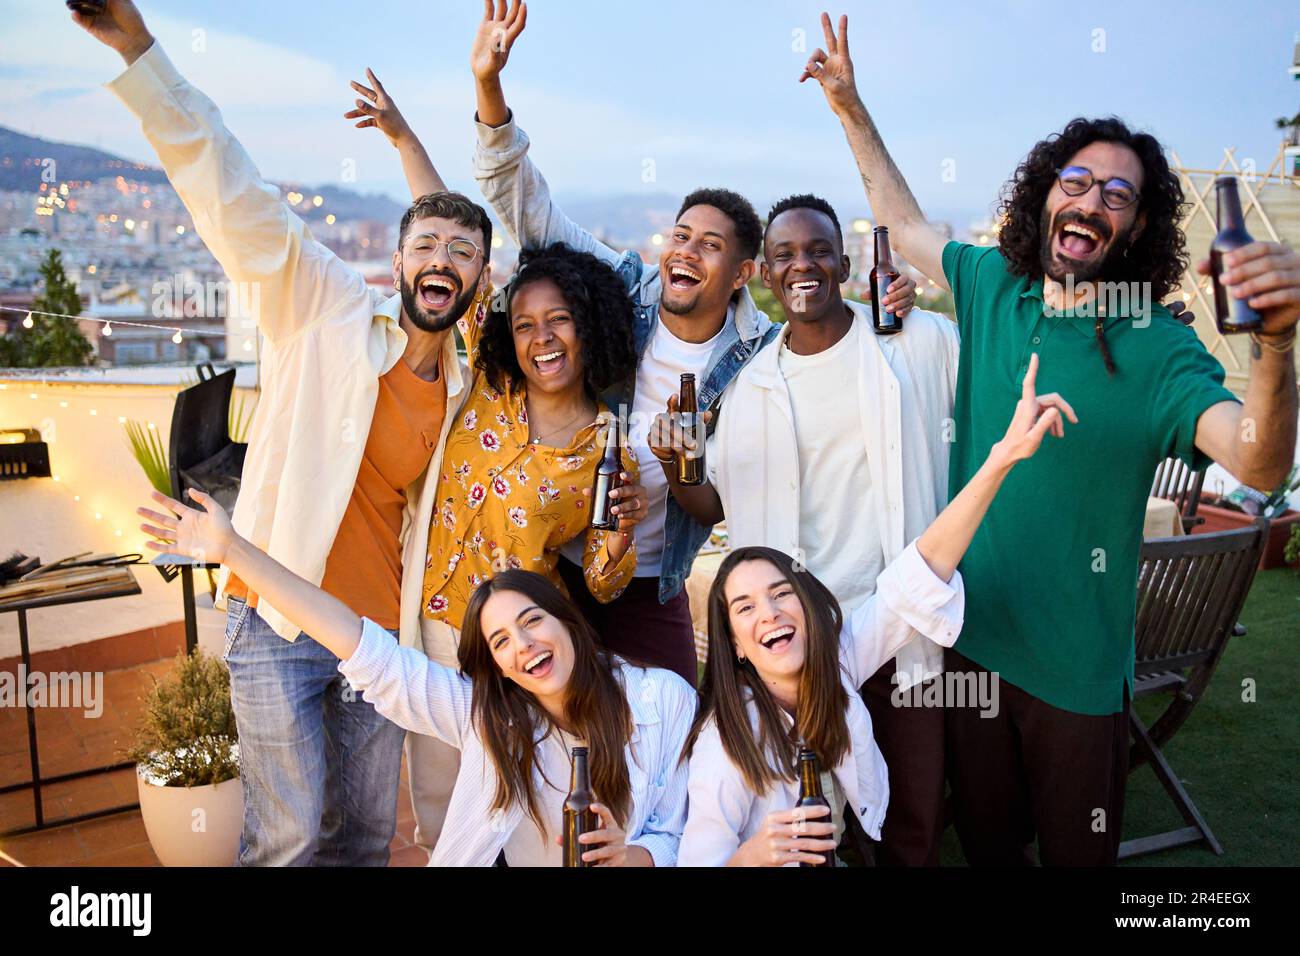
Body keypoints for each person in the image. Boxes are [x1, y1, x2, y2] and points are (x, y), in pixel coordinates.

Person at [802, 11, 1300, 865]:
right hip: (972, 646)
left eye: (1118, 196)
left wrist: (1278, 346)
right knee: (991, 849)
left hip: (1077, 678)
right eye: (1077, 181)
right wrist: (850, 106)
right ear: (1045, 195)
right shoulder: (994, 285)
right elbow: (902, 216)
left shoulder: (1156, 345)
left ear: (1135, 229)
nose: (1092, 202)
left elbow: (1255, 456)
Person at [383, 0, 918, 684]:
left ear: (742, 274)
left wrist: (887, 307)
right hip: (550, 564)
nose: (684, 252)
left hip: (646, 580)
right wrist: (489, 86)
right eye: (681, 236)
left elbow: (822, 362)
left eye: (710, 245)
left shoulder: (763, 360)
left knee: (675, 729)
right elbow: (522, 204)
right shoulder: (618, 290)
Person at [75, 0, 493, 865]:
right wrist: (143, 53)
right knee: (290, 836)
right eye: (427, 245)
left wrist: (423, 138)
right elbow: (234, 194)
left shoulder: (465, 386)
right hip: (274, 615)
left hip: (377, 638)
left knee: (365, 839)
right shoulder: (327, 308)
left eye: (461, 251)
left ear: (479, 279)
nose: (441, 260)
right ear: (397, 263)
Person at [137, 491, 694, 867]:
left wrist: (634, 857)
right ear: (495, 666)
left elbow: (686, 830)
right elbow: (356, 642)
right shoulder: (490, 719)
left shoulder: (663, 699)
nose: (523, 647)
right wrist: (231, 549)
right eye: (501, 642)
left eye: (532, 622)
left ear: (568, 622)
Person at [652, 193, 958, 865]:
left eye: (818, 250)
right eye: (785, 255)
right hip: (801, 644)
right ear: (764, 272)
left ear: (845, 263)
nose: (803, 266)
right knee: (809, 815)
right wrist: (679, 473)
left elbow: (992, 386)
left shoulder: (916, 343)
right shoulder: (751, 383)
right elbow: (718, 504)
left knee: (911, 811)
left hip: (894, 622)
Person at [679, 354, 1069, 866]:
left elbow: (920, 573)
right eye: (745, 607)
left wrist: (1001, 459)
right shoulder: (726, 746)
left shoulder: (835, 660)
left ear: (808, 607)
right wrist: (749, 858)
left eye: (780, 594)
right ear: (732, 643)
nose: (769, 613)